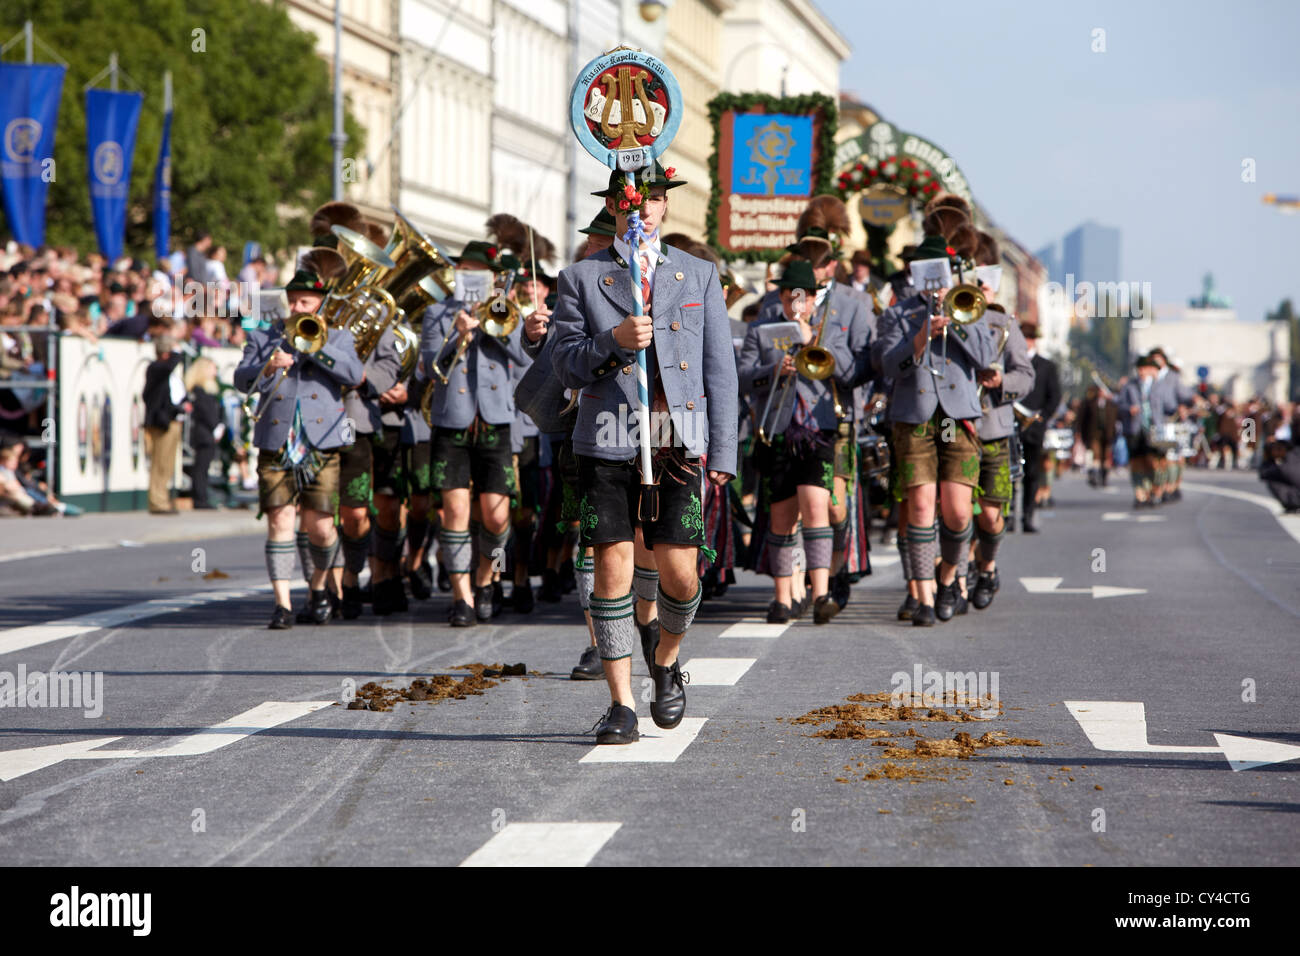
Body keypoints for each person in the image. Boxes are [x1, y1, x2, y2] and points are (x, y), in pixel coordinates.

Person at [550, 160, 738, 744]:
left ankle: (665, 658)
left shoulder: (699, 274)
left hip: (676, 439)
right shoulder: (582, 278)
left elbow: (719, 370)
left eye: (652, 197)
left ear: (664, 205)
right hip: (606, 436)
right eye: (629, 200)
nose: (641, 208)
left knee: (681, 574)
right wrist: (613, 341)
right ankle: (621, 704)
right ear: (613, 207)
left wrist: (725, 451)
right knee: (612, 564)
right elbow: (563, 362)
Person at [873, 221, 997, 625]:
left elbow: (983, 358)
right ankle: (924, 596)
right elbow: (888, 365)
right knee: (923, 505)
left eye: (940, 270)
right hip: (914, 417)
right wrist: (920, 338)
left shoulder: (971, 304)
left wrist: (955, 320)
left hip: (958, 416)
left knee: (960, 512)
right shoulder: (898, 313)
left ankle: (948, 578)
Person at [419, 240, 540, 626]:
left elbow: (525, 356)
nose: (470, 276)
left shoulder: (507, 310)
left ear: (492, 278)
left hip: (496, 421)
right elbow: (430, 367)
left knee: (495, 514)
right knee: (454, 509)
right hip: (452, 421)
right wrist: (458, 334)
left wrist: (493, 325)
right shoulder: (436, 314)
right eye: (465, 269)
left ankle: (486, 580)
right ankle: (462, 598)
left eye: (479, 271)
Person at [234, 266, 363, 629]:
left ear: (320, 304)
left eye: (304, 300)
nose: (296, 306)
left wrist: (317, 348)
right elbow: (241, 380)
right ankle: (282, 604)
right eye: (292, 300)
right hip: (277, 438)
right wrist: (268, 366)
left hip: (321, 441)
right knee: (279, 519)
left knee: (320, 527)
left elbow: (353, 376)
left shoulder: (338, 337)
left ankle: (319, 588)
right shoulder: (266, 336)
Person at [967, 233, 1034, 613]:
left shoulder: (1004, 322)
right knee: (957, 509)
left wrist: (1002, 382)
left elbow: (1025, 375)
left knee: (991, 516)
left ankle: (987, 567)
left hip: (994, 427)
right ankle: (956, 577)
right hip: (957, 426)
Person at [1016, 323, 1060, 532]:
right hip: (1011, 425)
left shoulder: (1046, 366)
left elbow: (1054, 396)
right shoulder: (1010, 361)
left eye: (1028, 338)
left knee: (1032, 473)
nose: (1025, 342)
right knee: (1009, 472)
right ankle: (1006, 516)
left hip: (1034, 426)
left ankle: (1028, 515)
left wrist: (1043, 416)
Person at [143, 334, 189, 514]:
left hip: (174, 420)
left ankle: (163, 498)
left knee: (168, 463)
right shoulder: (156, 368)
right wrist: (176, 351)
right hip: (162, 422)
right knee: (159, 463)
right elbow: (170, 365)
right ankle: (157, 501)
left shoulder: (167, 372)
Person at [185, 356, 223, 509]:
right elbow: (206, 412)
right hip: (203, 433)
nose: (215, 372)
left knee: (203, 466)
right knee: (201, 467)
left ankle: (201, 497)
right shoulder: (199, 390)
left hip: (207, 432)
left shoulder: (205, 389)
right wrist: (216, 426)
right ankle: (200, 499)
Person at [1078, 383, 1117, 487]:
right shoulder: (1090, 403)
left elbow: (1116, 419)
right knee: (1096, 455)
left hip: (1108, 434)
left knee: (1106, 456)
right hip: (1094, 434)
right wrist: (1081, 434)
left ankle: (1104, 477)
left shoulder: (1111, 404)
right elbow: (1082, 419)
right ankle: (1094, 475)